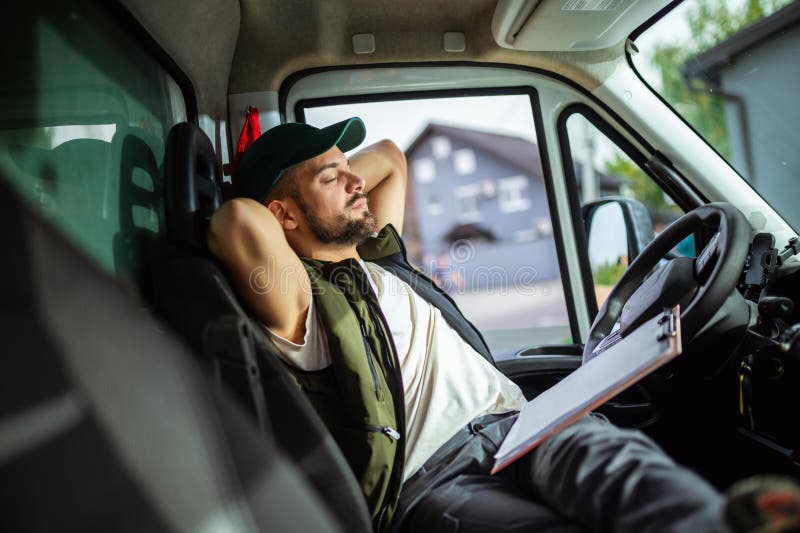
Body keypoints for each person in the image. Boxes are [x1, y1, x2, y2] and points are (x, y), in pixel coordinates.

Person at [208, 117, 726, 533]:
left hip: (524, 424)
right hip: (438, 478)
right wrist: (275, 194)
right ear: (284, 216)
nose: (356, 179)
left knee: (626, 470)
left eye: (348, 167)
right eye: (331, 177)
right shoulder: (300, 300)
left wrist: (326, 178)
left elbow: (389, 156)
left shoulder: (378, 261)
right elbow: (236, 222)